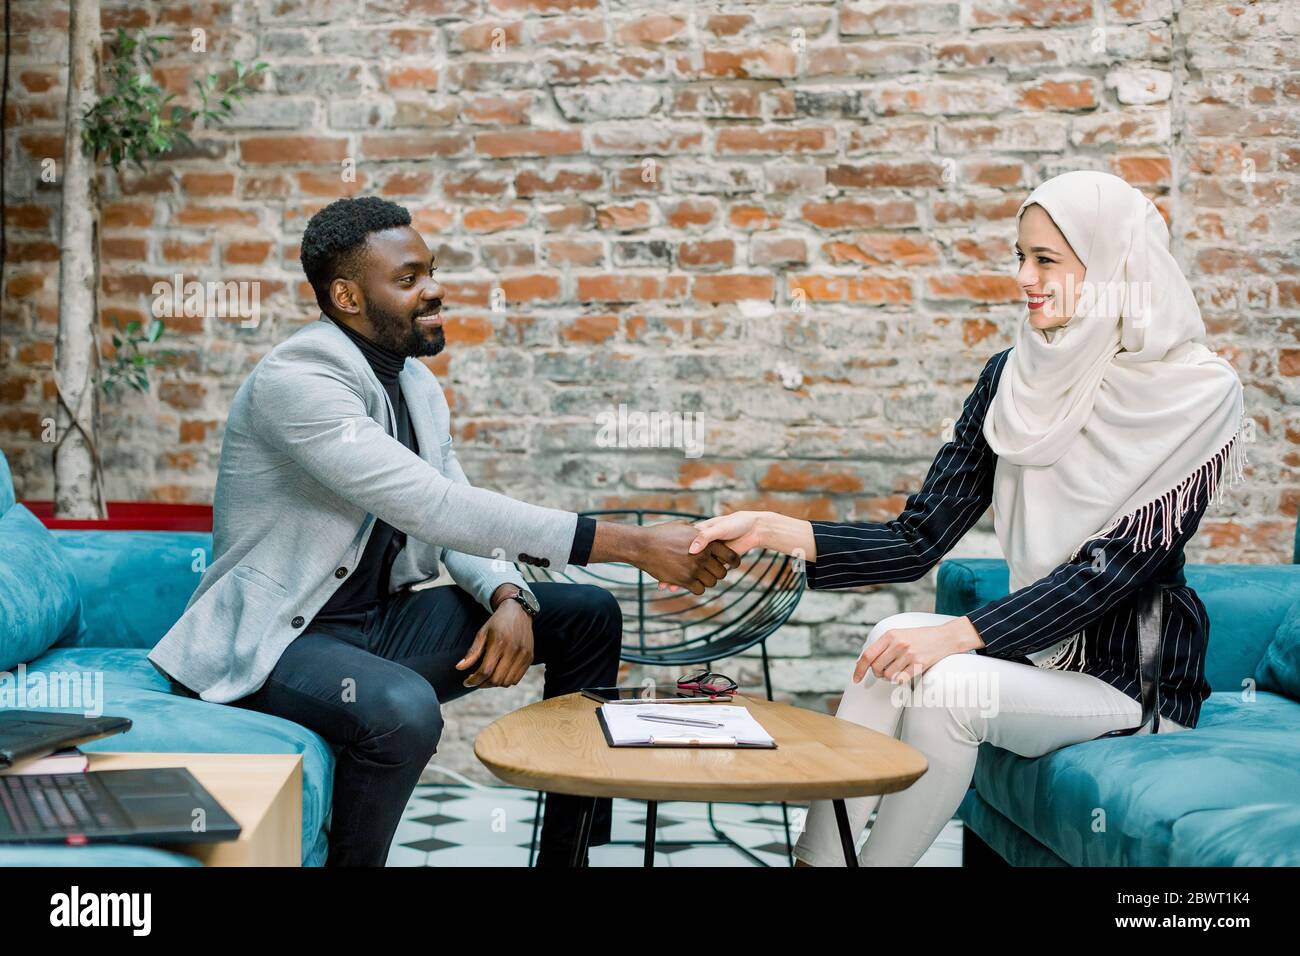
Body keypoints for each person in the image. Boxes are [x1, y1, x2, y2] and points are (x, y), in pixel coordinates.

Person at [148, 196, 739, 867]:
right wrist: (630, 544)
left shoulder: (417, 385)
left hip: (377, 625)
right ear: (345, 295)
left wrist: (509, 596)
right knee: (403, 709)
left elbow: (457, 508)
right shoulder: (298, 381)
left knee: (587, 615)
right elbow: (430, 507)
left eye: (430, 271)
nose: (434, 290)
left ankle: (567, 858)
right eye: (408, 280)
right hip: (281, 640)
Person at [687, 170, 1247, 867]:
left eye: (1046, 260)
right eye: (1019, 255)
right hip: (1041, 655)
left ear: (1113, 268)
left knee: (949, 681)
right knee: (891, 638)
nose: (1023, 277)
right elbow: (918, 537)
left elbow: (1108, 574)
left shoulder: (1195, 393)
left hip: (1133, 679)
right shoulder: (1013, 376)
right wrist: (770, 529)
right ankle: (819, 861)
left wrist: (957, 635)